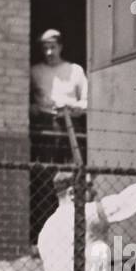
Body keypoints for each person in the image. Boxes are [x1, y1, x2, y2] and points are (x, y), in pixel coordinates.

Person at [30, 29, 90, 239]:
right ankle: (42, 234)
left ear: (61, 47)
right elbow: (26, 102)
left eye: (52, 47)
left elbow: (88, 102)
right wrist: (32, 108)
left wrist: (70, 104)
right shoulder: (34, 71)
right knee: (45, 179)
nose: (48, 52)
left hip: (71, 127)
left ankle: (73, 233)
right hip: (46, 128)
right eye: (44, 47)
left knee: (72, 177)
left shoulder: (75, 70)